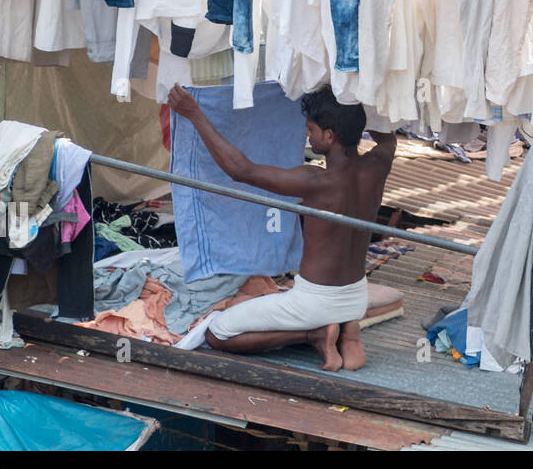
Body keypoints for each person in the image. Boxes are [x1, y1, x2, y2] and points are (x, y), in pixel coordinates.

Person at [166, 83, 396, 371]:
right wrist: (357, 95)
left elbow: (241, 170)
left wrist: (194, 113)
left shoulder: (317, 182)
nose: (306, 135)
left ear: (329, 135)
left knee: (217, 334)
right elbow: (388, 139)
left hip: (314, 303)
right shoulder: (378, 165)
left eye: (311, 130)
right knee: (272, 310)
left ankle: (315, 334)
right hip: (356, 296)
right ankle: (346, 329)